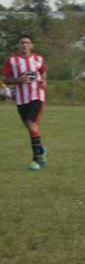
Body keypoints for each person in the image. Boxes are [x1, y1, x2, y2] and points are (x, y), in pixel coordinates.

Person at [2, 34, 48, 170]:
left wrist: (45, 81)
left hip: (37, 96)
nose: (24, 45)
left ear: (31, 45)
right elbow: (5, 79)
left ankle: (35, 160)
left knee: (32, 125)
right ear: (18, 45)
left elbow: (43, 72)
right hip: (21, 99)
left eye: (27, 42)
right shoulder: (12, 60)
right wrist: (18, 80)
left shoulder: (38, 58)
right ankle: (42, 151)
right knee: (31, 128)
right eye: (22, 42)